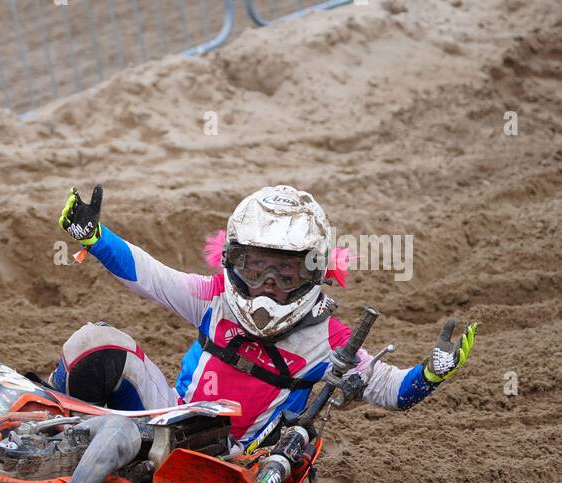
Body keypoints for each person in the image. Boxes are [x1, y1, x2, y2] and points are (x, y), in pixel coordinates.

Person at [55, 183, 478, 452]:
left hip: (241, 466)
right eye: (256, 269)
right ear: (233, 260)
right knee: (92, 344)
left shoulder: (328, 341)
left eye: (286, 272)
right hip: (172, 427)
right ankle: (60, 438)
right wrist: (93, 237)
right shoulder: (214, 297)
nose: (268, 285)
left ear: (314, 271)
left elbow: (390, 389)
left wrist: (431, 373)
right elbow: (150, 276)